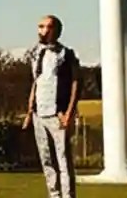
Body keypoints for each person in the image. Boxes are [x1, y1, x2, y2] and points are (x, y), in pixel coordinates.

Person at [23, 14, 79, 198]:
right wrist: (30, 112)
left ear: (57, 30)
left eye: (48, 26)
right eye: (40, 26)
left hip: (58, 114)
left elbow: (76, 83)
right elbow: (36, 82)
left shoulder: (66, 54)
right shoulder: (35, 53)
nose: (44, 30)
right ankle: (54, 195)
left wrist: (69, 112)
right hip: (40, 114)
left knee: (63, 161)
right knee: (47, 161)